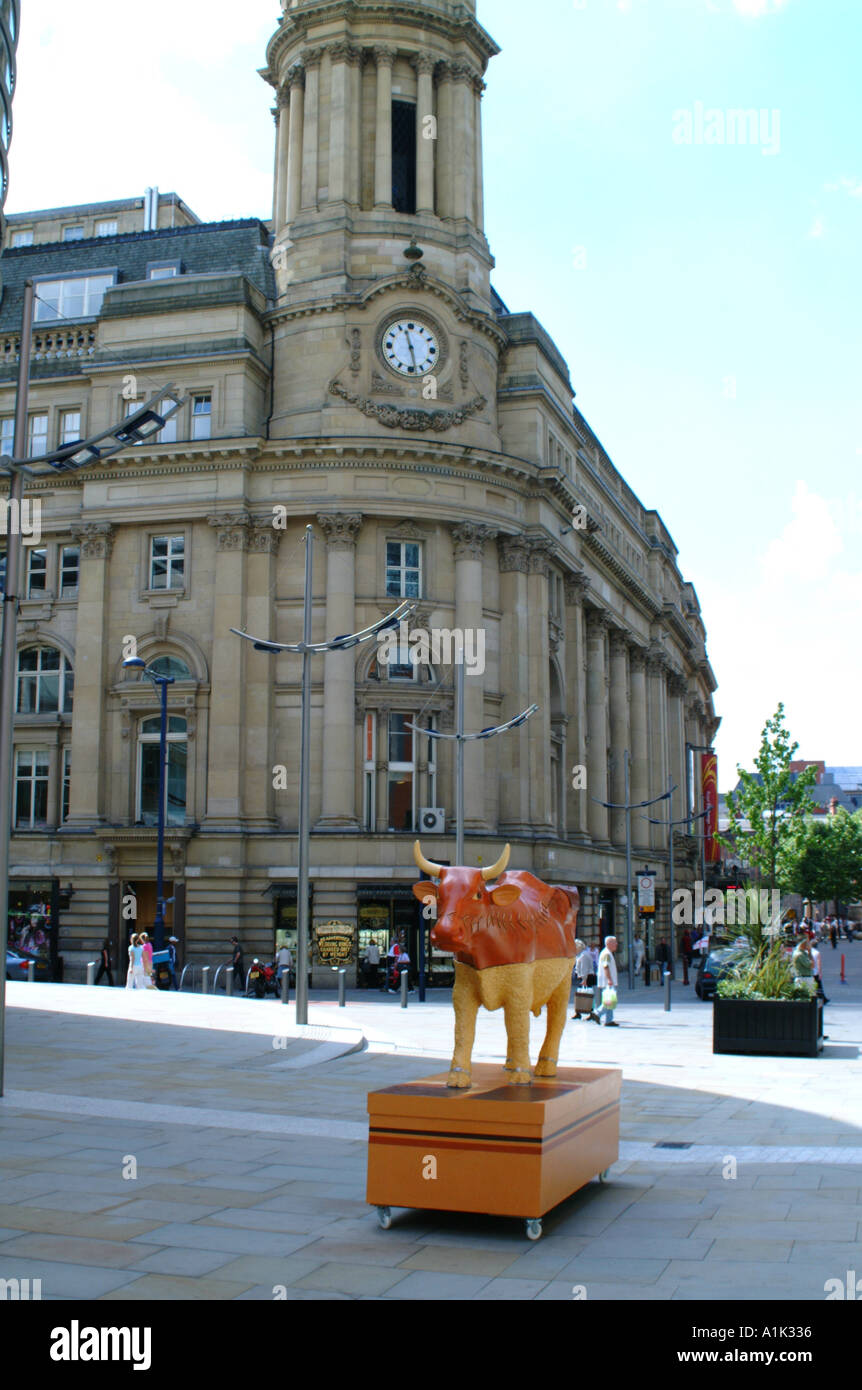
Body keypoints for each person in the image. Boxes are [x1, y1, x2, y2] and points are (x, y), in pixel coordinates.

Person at [591, 935, 619, 1027]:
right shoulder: (606, 954)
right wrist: (609, 979)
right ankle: (597, 1013)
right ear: (608, 944)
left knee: (610, 999)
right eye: (614, 942)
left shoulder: (607, 953)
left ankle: (609, 1020)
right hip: (607, 982)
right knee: (609, 1000)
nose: (616, 944)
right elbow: (605, 966)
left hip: (607, 981)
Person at [810, 939, 828, 1004]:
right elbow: (818, 964)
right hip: (815, 972)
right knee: (819, 986)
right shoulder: (817, 953)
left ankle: (822, 998)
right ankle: (823, 998)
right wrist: (820, 973)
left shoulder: (808, 951)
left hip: (810, 971)